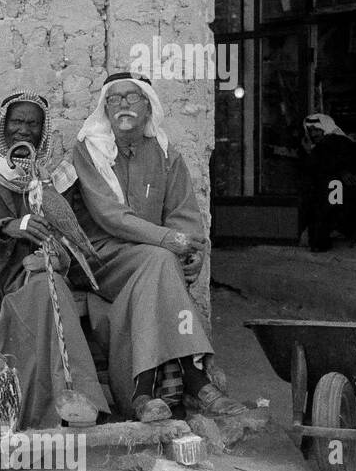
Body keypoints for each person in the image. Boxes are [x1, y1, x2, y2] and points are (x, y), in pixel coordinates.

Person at [72, 73, 243, 421]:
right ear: (105, 108)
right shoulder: (89, 150)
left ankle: (142, 394)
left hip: (149, 261)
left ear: (148, 107)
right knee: (161, 258)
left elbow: (183, 213)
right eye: (114, 99)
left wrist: (192, 252)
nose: (122, 104)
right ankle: (196, 379)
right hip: (98, 259)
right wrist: (171, 241)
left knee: (158, 264)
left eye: (131, 98)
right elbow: (111, 217)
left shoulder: (165, 154)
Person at [0, 92, 109, 433]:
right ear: (3, 124)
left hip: (28, 270)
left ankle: (73, 408)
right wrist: (13, 227)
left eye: (32, 124)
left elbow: (65, 233)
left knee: (54, 302)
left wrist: (51, 254)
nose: (24, 130)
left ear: (42, 131)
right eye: (17, 121)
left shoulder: (53, 175)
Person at [299, 113, 356, 252]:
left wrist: (310, 152)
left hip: (342, 190)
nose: (314, 133)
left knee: (325, 203)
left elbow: (328, 165)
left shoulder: (336, 142)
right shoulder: (322, 144)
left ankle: (320, 240)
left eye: (317, 129)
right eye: (310, 130)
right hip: (332, 188)